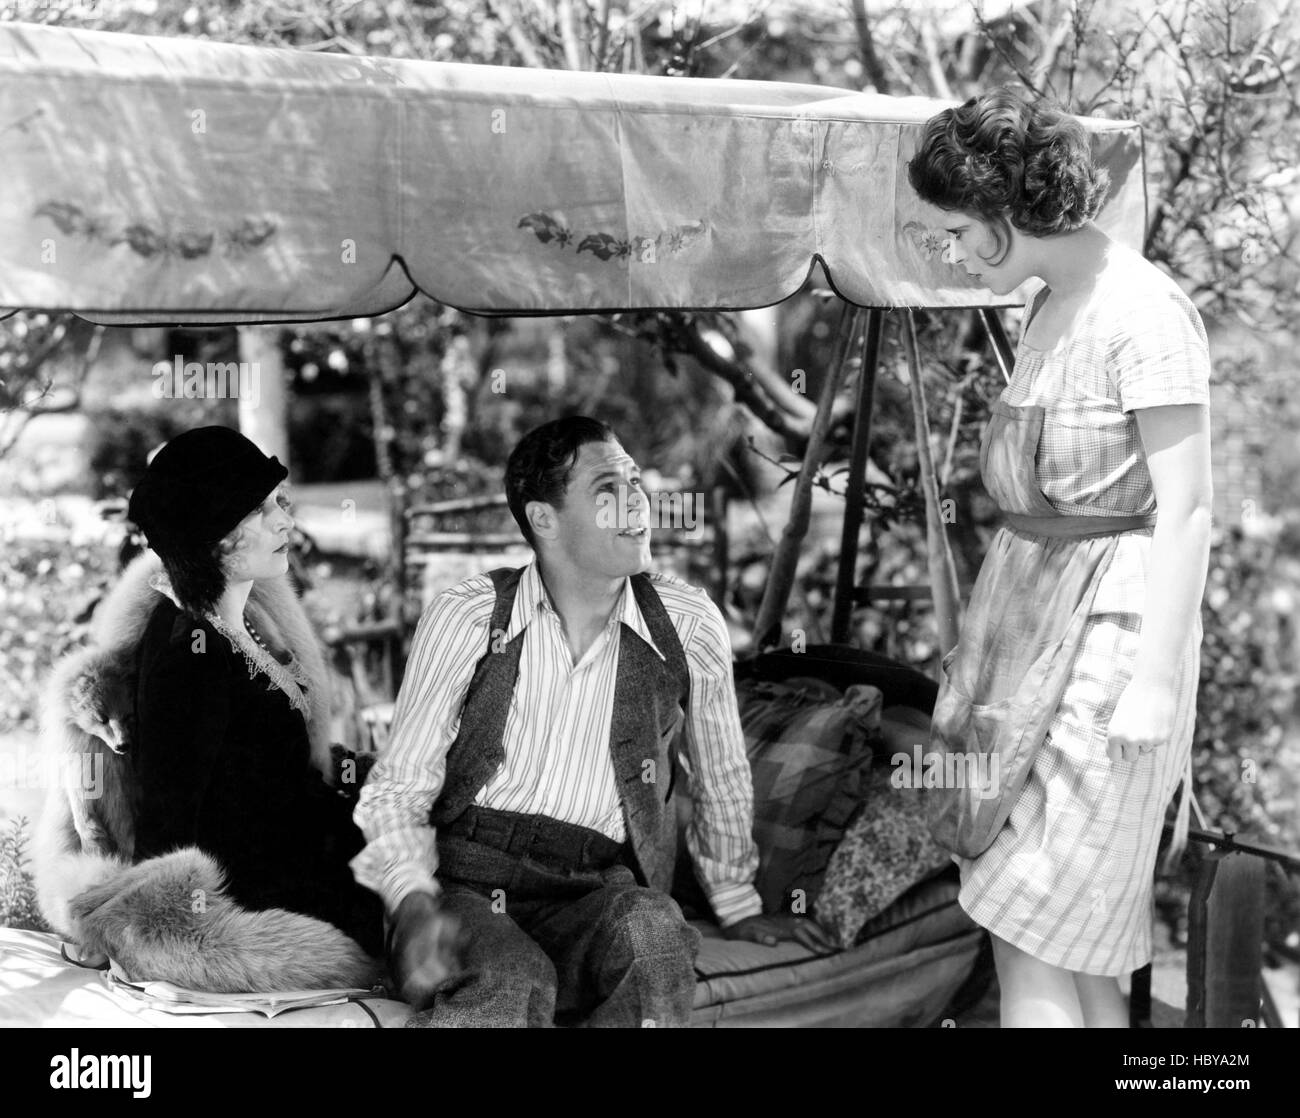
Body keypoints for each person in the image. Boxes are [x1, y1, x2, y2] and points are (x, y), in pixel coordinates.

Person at [352, 416, 833, 1027]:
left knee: (656, 941)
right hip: (466, 877)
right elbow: (398, 788)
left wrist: (736, 900)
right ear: (544, 520)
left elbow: (721, 772)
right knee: (508, 978)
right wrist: (412, 899)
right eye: (609, 489)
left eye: (637, 482)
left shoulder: (686, 624)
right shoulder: (471, 616)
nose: (638, 503)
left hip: (597, 881)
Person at [908, 87, 1213, 1027]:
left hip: (1110, 650)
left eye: (957, 229)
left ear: (1006, 214)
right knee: (1069, 940)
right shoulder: (1045, 306)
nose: (951, 250)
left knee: (1030, 920)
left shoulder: (1144, 312)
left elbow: (1190, 508)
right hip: (1025, 637)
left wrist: (1156, 680)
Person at [35, 425, 384, 991]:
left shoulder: (242, 622)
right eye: (260, 510)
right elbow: (169, 827)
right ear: (213, 535)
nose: (285, 521)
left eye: (280, 502)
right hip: (273, 893)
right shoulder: (188, 653)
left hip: (317, 849)